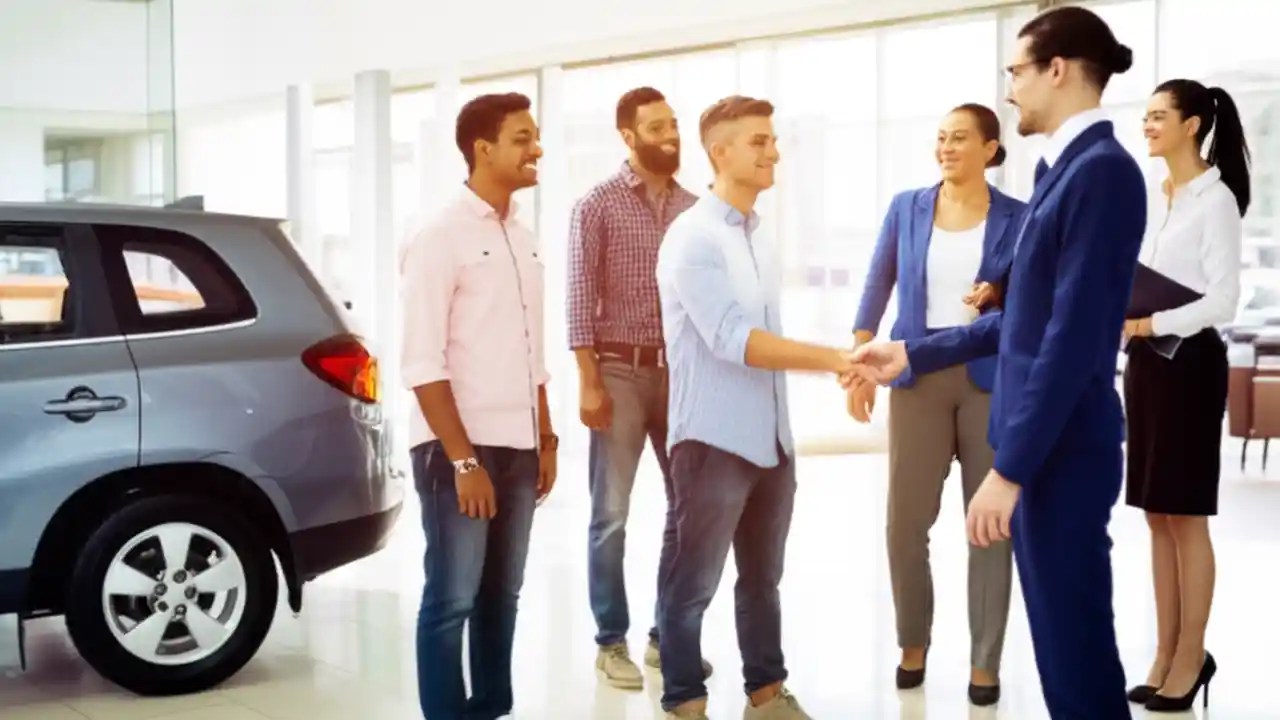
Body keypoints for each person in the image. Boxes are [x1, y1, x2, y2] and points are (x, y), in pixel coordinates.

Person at [849, 7, 1146, 719]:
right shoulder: (1066, 168)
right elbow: (1021, 321)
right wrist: (911, 350)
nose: (1009, 88)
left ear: (1057, 69)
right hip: (1050, 445)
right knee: (1061, 651)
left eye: (1017, 71)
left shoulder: (1101, 172)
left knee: (1076, 653)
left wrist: (1008, 469)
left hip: (1061, 451)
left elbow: (1072, 341)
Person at [655, 95, 857, 720]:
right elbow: (732, 339)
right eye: (759, 142)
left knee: (763, 582)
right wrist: (834, 360)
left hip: (772, 442)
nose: (773, 152)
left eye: (773, 141)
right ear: (720, 153)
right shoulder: (692, 236)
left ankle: (766, 692)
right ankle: (684, 698)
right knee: (692, 590)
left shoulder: (760, 238)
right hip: (711, 442)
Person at [847, 102, 1025, 707]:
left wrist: (1001, 290)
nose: (946, 148)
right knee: (905, 523)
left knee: (988, 527)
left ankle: (984, 661)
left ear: (991, 149)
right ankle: (912, 642)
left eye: (959, 139)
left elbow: (1026, 300)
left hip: (986, 383)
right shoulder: (908, 207)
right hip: (915, 377)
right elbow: (879, 280)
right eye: (941, 139)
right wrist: (858, 361)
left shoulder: (1019, 218)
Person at [399, 92, 557, 720]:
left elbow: (531, 349)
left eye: (536, 136)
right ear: (482, 149)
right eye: (523, 138)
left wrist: (545, 438)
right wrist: (463, 461)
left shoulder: (522, 236)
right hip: (455, 449)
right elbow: (420, 360)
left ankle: (491, 708)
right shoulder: (438, 234)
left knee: (503, 597)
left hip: (520, 445)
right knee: (452, 599)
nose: (536, 149)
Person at [565, 86, 708, 688]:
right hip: (618, 371)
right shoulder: (596, 205)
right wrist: (589, 382)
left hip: (680, 373)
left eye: (673, 125)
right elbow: (577, 297)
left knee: (688, 508)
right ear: (628, 136)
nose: (670, 136)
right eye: (657, 128)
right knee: (612, 515)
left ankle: (665, 637)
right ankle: (610, 642)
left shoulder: (695, 208)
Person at [1121, 78, 1249, 712]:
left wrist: (1149, 322)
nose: (1146, 125)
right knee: (1154, 513)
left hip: (1191, 366)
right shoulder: (1159, 197)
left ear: (1192, 124)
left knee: (1186, 515)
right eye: (1144, 116)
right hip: (1145, 367)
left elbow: (1224, 300)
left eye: (1157, 116)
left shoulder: (1214, 200)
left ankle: (1192, 654)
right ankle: (1165, 650)